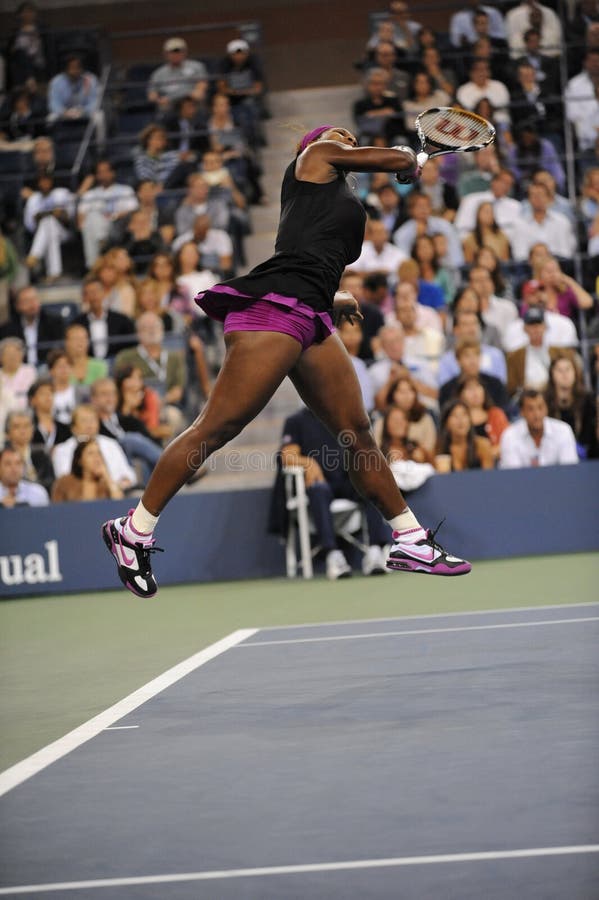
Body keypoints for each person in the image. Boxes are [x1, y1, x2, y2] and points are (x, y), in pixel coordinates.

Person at [102, 124, 472, 597]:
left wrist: (335, 298)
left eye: (353, 139)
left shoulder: (344, 203)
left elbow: (312, 258)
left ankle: (409, 538)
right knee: (215, 428)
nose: (348, 140)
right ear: (312, 145)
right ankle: (133, 530)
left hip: (311, 314)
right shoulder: (314, 157)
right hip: (273, 309)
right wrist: (406, 158)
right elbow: (389, 164)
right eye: (340, 134)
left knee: (355, 430)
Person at [279, 405, 391, 579]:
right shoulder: (296, 421)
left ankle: (375, 551)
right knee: (318, 490)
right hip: (320, 482)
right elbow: (287, 456)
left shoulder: (345, 415)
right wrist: (308, 463)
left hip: (347, 480)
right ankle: (333, 555)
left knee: (371, 486)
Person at [52, 403, 137, 487]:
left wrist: (125, 482)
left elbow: (129, 473)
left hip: (116, 491)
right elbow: (64, 479)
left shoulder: (111, 444)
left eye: (93, 420)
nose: (90, 425)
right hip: (81, 495)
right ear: (74, 428)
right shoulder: (62, 449)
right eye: (84, 420)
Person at [76, 159, 138, 268]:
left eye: (106, 171)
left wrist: (114, 216)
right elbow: (81, 215)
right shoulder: (90, 194)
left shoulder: (125, 190)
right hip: (93, 228)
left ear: (113, 172)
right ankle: (102, 242)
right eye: (100, 172)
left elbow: (133, 210)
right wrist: (84, 226)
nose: (103, 175)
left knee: (92, 221)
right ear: (96, 175)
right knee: (92, 218)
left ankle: (93, 266)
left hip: (117, 224)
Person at [499, 389, 579, 467]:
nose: (537, 414)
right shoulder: (510, 436)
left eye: (540, 407)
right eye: (530, 409)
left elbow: (569, 471)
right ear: (522, 412)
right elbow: (512, 476)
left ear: (546, 409)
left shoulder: (563, 431)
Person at [545, 354, 598, 458]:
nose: (564, 374)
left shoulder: (588, 400)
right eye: (559, 370)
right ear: (552, 374)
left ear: (575, 373)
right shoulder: (545, 402)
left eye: (568, 369)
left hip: (586, 454)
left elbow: (591, 433)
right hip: (554, 455)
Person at [23, 173, 74, 281]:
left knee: (49, 222)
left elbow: (71, 217)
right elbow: (29, 225)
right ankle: (54, 273)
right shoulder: (33, 199)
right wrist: (44, 216)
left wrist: (61, 214)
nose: (44, 184)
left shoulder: (62, 193)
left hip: (64, 232)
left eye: (47, 181)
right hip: (44, 233)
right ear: (38, 183)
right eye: (42, 181)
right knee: (49, 224)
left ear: (52, 182)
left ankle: (34, 255)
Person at [72, 276, 136, 361]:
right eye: (89, 293)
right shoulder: (77, 324)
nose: (94, 296)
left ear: (104, 293)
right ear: (85, 297)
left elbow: (132, 346)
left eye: (96, 291)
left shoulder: (122, 320)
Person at [438, 309, 507, 386]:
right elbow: (445, 389)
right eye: (465, 324)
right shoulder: (447, 359)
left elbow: (501, 386)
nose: (471, 328)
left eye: (474, 323)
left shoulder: (496, 355)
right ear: (456, 330)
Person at [0, 285, 64, 366]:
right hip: (19, 370)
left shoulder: (54, 323)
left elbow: (59, 352)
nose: (32, 304)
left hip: (48, 369)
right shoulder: (7, 329)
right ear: (17, 306)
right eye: (27, 301)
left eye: (34, 299)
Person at [147, 37, 208, 114]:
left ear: (185, 52)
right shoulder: (158, 73)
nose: (175, 54)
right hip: (168, 110)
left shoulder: (197, 67)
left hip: (192, 107)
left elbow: (199, 93)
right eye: (172, 52)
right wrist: (159, 100)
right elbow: (152, 96)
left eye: (178, 51)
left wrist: (170, 98)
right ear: (165, 54)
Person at [52, 437, 124, 502]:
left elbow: (119, 505)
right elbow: (56, 510)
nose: (96, 458)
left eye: (99, 453)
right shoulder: (65, 482)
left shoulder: (105, 485)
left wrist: (107, 478)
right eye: (90, 453)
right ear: (79, 460)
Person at [457, 374, 509, 461]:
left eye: (478, 386)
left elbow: (508, 442)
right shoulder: (458, 419)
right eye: (469, 388)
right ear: (460, 395)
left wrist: (487, 455)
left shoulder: (496, 414)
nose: (475, 392)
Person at [436, 399, 495, 471]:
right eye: (454, 416)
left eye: (464, 415)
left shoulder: (482, 445)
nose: (461, 420)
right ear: (446, 423)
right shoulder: (439, 449)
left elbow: (489, 476)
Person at [0, 337, 36, 409]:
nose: (12, 357)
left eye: (15, 354)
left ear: (21, 355)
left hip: (27, 412)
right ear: (1, 357)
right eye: (8, 354)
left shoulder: (30, 371)